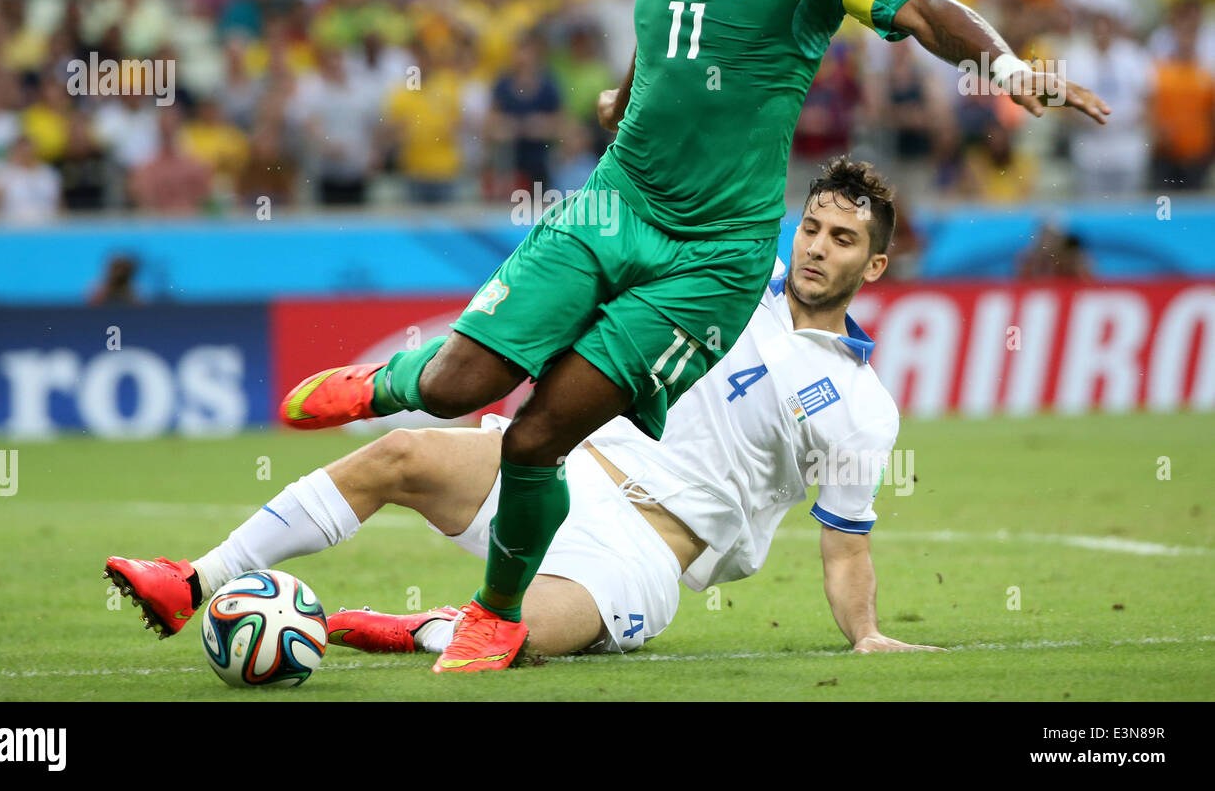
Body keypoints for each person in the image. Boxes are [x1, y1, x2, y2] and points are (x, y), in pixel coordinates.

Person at [115, 0, 1110, 675]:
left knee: (537, 432)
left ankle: (494, 611)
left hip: (709, 259)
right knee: (459, 387)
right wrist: (618, 103)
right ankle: (285, 484)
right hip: (612, 202)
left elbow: (922, 7)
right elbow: (663, 49)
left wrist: (1008, 64)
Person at [107, 158, 944, 659]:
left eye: (842, 240)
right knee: (398, 455)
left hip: (646, 551)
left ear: (872, 268)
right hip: (565, 464)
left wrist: (864, 634)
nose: (817, 247)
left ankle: (421, 626)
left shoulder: (862, 409)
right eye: (812, 227)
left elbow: (844, 546)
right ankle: (197, 577)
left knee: (515, 641)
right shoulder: (722, 282)